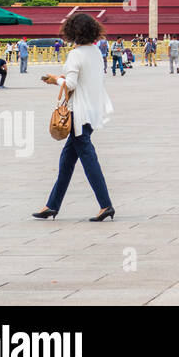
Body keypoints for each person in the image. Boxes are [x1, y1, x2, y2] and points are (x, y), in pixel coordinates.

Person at [33, 13, 115, 222]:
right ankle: (51, 205)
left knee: (89, 159)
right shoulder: (96, 52)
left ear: (72, 32)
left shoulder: (75, 54)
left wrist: (54, 80)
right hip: (92, 110)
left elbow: (70, 85)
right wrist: (62, 79)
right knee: (66, 161)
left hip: (77, 113)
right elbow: (86, 80)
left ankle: (105, 204)